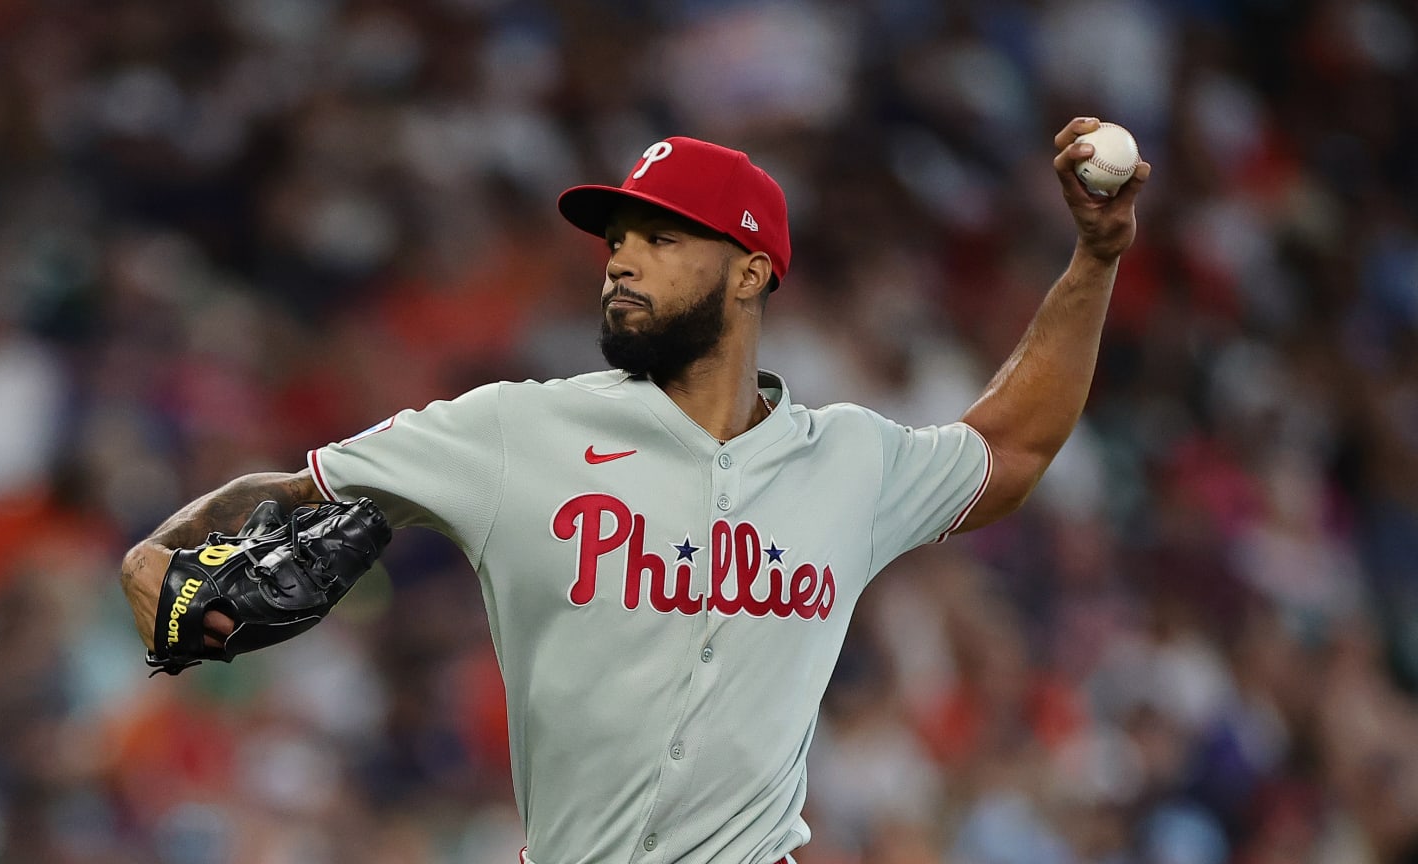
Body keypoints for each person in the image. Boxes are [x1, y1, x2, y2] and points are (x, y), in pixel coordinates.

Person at [120, 118, 1149, 864]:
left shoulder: (849, 461)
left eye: (663, 238)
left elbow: (1009, 450)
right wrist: (150, 558)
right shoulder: (512, 430)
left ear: (750, 272)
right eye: (617, 238)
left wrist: (1095, 260)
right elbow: (285, 487)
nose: (622, 261)